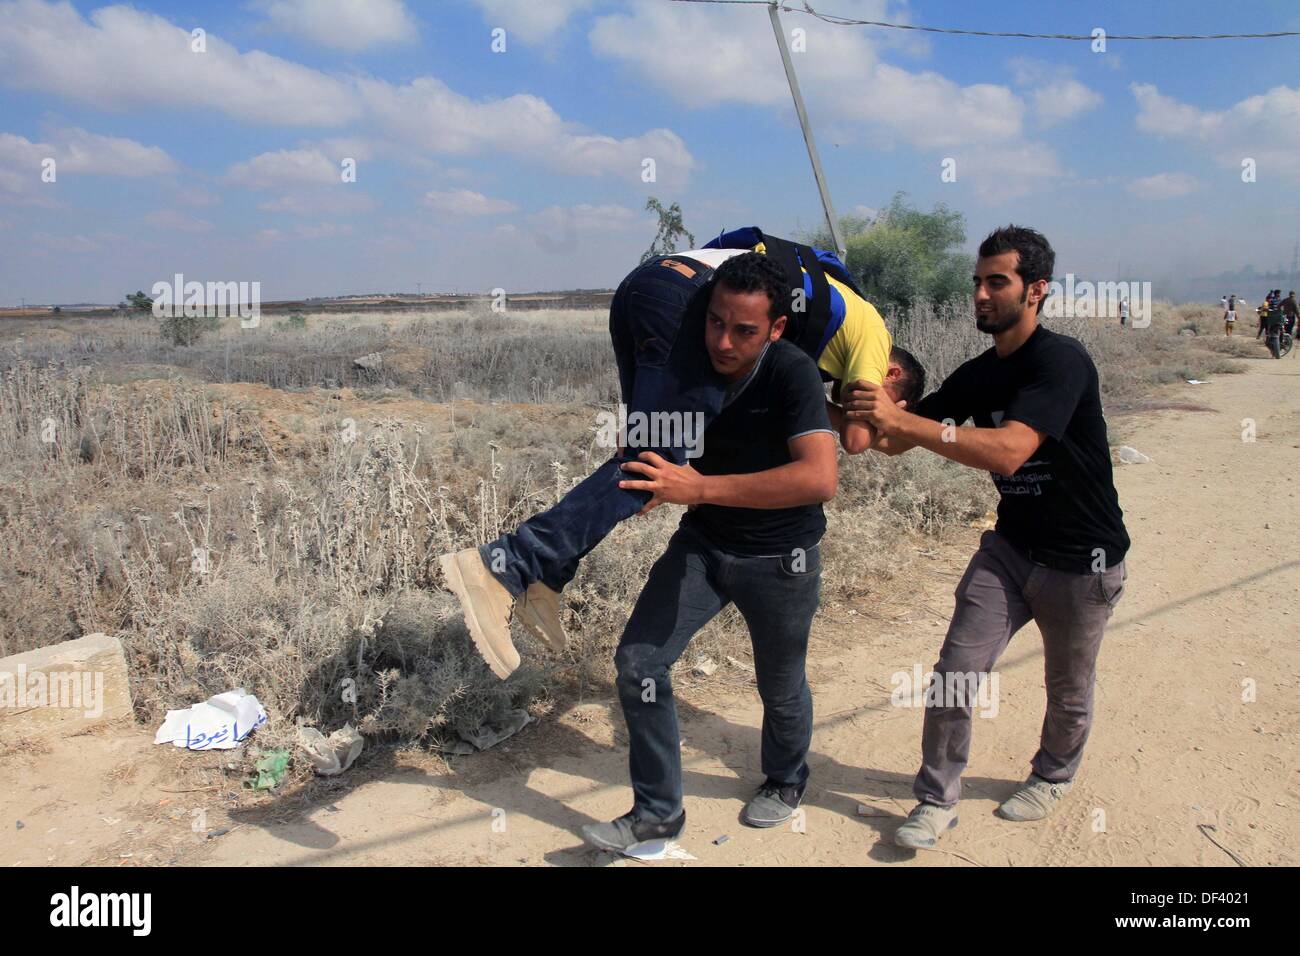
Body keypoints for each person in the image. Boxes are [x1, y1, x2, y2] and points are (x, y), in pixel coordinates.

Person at [439, 229, 924, 678]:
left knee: (642, 457)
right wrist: (885, 421)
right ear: (893, 377)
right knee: (658, 458)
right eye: (888, 400)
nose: (878, 407)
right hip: (684, 304)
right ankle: (503, 567)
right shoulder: (874, 338)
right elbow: (860, 441)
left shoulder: (829, 307)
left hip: (649, 286)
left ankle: (547, 576)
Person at [845, 225, 1130, 849]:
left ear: (1036, 290)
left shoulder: (1062, 362)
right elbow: (899, 437)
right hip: (1010, 551)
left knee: (1069, 687)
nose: (981, 294)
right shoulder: (980, 373)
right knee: (954, 671)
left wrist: (906, 425)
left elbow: (1008, 452)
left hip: (1084, 560)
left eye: (996, 282)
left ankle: (1053, 775)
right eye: (976, 281)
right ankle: (935, 799)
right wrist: (861, 401)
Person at [577, 253, 838, 850]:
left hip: (782, 559)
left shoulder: (791, 372)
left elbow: (820, 477)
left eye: (744, 330)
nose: (723, 341)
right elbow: (668, 446)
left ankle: (785, 778)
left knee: (779, 683)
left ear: (774, 328)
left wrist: (696, 489)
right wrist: (654, 469)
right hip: (704, 545)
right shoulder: (693, 366)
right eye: (715, 321)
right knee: (639, 663)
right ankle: (658, 813)